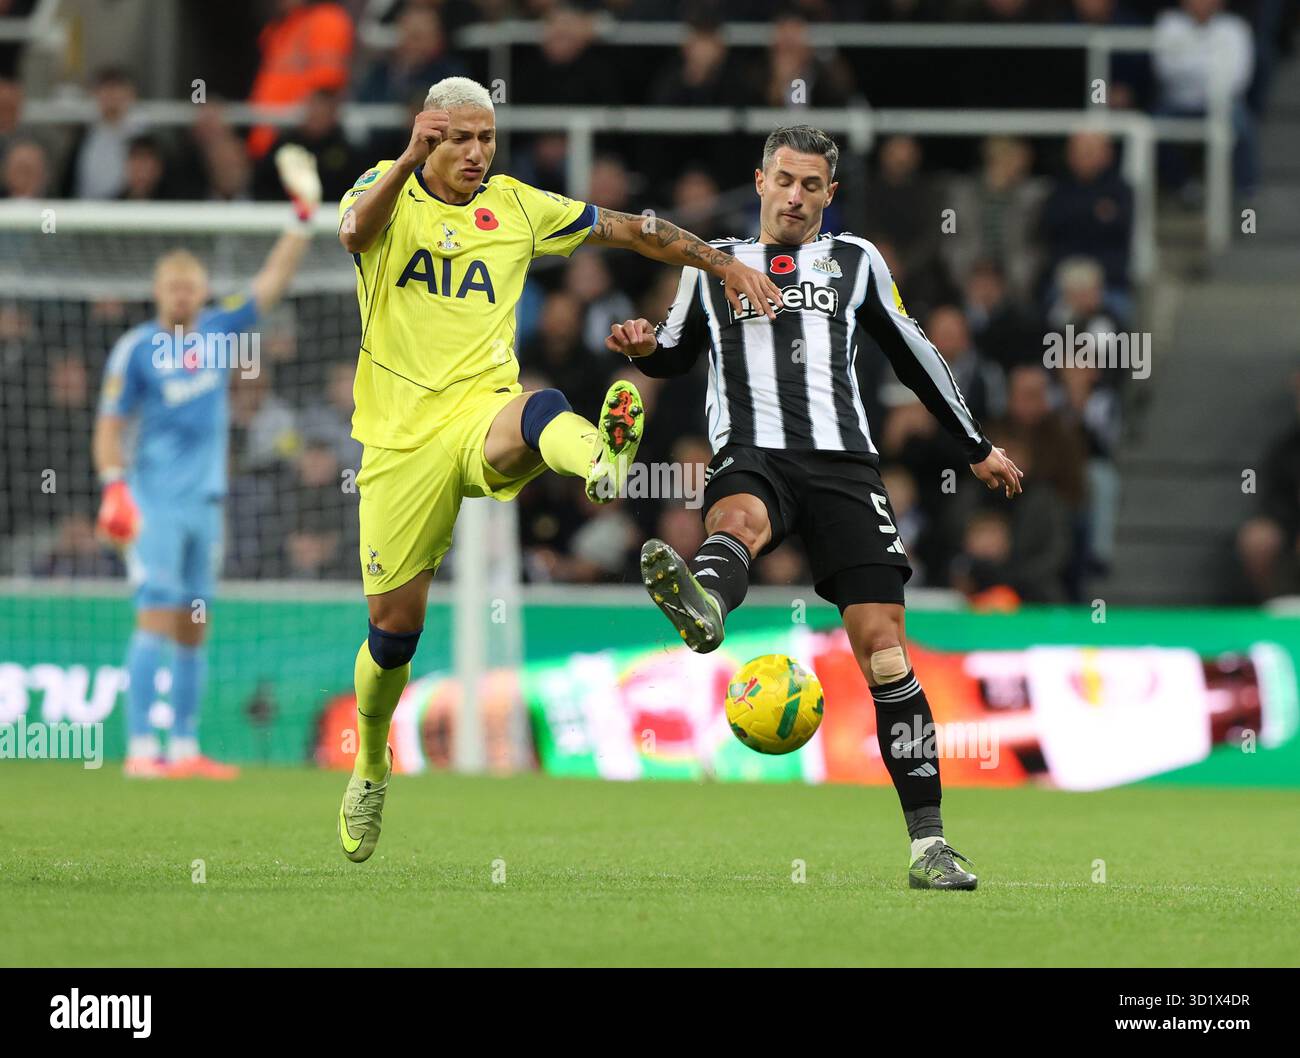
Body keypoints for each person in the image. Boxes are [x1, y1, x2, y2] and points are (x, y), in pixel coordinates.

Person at [334, 77, 781, 863]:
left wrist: (721, 265)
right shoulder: (385, 185)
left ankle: (603, 465)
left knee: (537, 408)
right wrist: (406, 159)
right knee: (394, 634)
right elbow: (352, 236)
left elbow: (632, 230)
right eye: (461, 138)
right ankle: (372, 761)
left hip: (480, 414)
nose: (476, 154)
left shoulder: (513, 205)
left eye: (487, 139)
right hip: (399, 445)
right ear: (431, 135)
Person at [604, 125, 1023, 891]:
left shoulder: (855, 262)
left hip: (843, 468)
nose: (795, 197)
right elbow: (669, 348)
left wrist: (974, 446)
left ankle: (929, 847)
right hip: (753, 454)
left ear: (829, 195)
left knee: (886, 652)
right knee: (736, 521)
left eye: (811, 186)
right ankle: (703, 602)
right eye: (784, 180)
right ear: (759, 181)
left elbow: (913, 351)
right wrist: (638, 346)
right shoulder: (712, 266)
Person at [93, 145, 321, 778]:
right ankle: (142, 750)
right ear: (158, 291)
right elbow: (108, 428)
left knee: (194, 623)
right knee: (155, 614)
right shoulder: (135, 349)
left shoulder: (221, 332)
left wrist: (302, 215)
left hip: (206, 506)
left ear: (200, 291)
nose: (183, 292)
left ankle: (186, 748)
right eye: (173, 284)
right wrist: (115, 490)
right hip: (156, 504)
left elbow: (272, 285)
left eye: (191, 284)